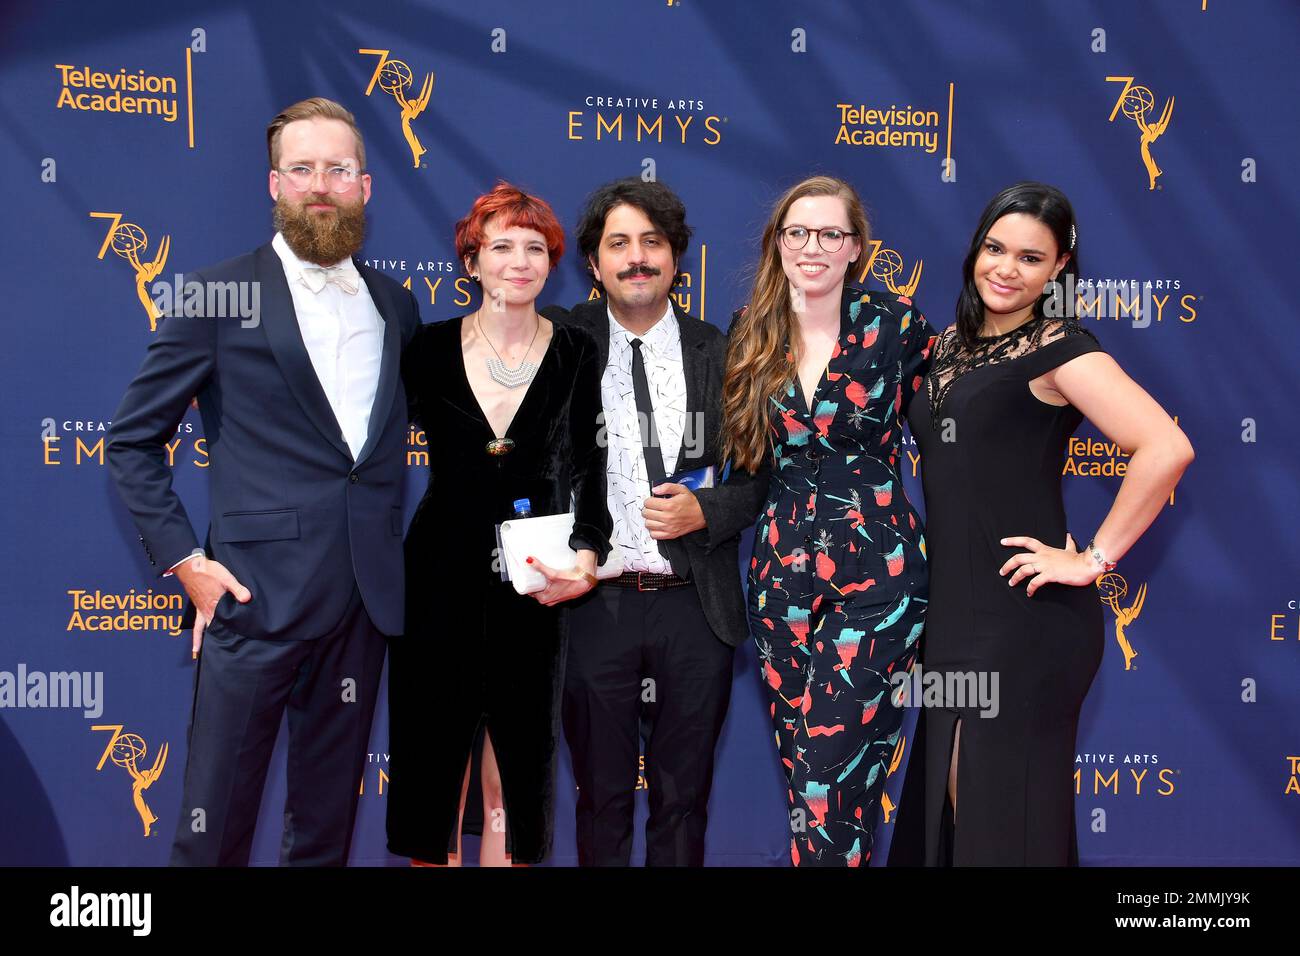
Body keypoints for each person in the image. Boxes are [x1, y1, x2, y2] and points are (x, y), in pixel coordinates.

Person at [106, 97, 422, 866]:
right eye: (304, 168)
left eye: (338, 169)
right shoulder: (215, 296)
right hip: (251, 600)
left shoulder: (396, 306)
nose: (322, 185)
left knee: (324, 835)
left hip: (362, 605)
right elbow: (131, 442)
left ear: (365, 186)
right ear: (274, 184)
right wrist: (186, 564)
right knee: (214, 831)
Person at [894, 181, 1194, 866]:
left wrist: (1093, 559)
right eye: (995, 248)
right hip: (953, 615)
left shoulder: (1061, 348)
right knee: (955, 812)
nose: (1005, 268)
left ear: (1058, 269)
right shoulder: (949, 347)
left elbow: (1166, 447)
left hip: (1023, 618)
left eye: (1030, 258)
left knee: (995, 817)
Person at [385, 182, 612, 866]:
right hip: (437, 575)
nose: (519, 260)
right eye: (501, 246)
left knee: (513, 768)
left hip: (533, 584)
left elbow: (590, 468)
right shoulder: (424, 349)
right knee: (434, 765)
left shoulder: (575, 353)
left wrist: (590, 554)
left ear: (553, 263)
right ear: (471, 261)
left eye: (535, 248)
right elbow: (367, 453)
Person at [550, 177, 768, 866]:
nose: (637, 257)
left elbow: (761, 478)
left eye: (653, 242)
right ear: (594, 262)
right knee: (600, 800)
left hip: (693, 608)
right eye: (619, 244)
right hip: (592, 606)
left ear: (677, 258)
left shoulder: (724, 349)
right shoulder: (557, 340)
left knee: (684, 801)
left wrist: (708, 507)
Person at [722, 175, 935, 867]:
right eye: (797, 233)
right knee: (821, 788)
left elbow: (963, 420)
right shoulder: (752, 331)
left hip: (880, 581)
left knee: (825, 777)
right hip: (780, 583)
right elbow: (745, 465)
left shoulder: (897, 326)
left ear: (855, 248)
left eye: (830, 234)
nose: (812, 247)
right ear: (777, 243)